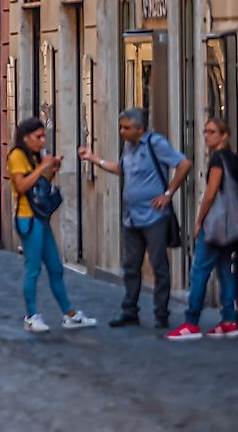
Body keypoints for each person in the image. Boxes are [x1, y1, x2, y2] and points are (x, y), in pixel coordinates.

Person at [79, 107, 192, 327]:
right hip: (131, 218)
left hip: (154, 217)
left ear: (140, 129)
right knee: (130, 266)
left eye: (126, 128)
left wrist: (168, 194)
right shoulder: (129, 147)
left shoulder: (155, 143)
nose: (121, 131)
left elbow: (184, 163)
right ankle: (130, 310)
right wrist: (95, 159)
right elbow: (122, 169)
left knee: (159, 266)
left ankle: (161, 314)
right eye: (121, 127)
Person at [8, 117, 99, 334]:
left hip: (39, 217)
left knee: (56, 268)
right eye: (38, 137)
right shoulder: (17, 155)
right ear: (25, 137)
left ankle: (69, 314)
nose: (42, 141)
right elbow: (21, 185)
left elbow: (39, 185)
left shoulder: (34, 155)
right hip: (27, 218)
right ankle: (31, 316)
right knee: (33, 268)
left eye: (43, 137)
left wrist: (51, 168)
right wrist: (43, 167)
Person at [167, 118, 238, 340]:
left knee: (199, 271)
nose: (206, 135)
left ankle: (191, 322)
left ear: (224, 136)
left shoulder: (217, 159)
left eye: (212, 132)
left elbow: (210, 194)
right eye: (205, 131)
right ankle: (229, 320)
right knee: (225, 271)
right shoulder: (234, 158)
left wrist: (199, 221)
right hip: (231, 226)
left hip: (216, 224)